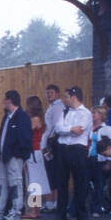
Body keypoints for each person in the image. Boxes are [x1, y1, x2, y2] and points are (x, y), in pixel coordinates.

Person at [0, 90, 33, 220]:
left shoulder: (22, 117)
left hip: (14, 157)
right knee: (0, 182)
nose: (3, 102)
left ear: (10, 100)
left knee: (16, 182)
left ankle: (16, 211)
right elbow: (2, 135)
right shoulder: (7, 116)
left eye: (5, 99)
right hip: (3, 155)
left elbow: (25, 139)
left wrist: (16, 154)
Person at [53, 86, 92, 220]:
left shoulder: (86, 113)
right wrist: (70, 128)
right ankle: (61, 213)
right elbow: (58, 128)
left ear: (74, 97)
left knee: (79, 182)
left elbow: (80, 130)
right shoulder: (65, 112)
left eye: (66, 97)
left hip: (78, 149)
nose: (64, 99)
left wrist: (66, 129)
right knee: (61, 182)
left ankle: (81, 212)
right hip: (63, 148)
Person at [86, 101, 111, 215]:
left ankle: (96, 208)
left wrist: (109, 162)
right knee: (84, 183)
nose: (92, 115)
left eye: (95, 113)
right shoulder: (88, 127)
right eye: (92, 112)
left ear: (101, 115)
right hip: (88, 157)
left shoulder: (107, 129)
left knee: (99, 185)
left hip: (100, 159)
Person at [40, 84, 65, 212]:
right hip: (50, 142)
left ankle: (51, 203)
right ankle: (52, 203)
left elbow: (54, 128)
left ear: (57, 93)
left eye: (51, 93)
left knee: (51, 174)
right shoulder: (52, 107)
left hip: (53, 143)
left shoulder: (58, 108)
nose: (49, 95)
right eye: (47, 93)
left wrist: (47, 145)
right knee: (51, 173)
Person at [24, 95, 49, 218]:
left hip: (33, 152)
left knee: (33, 182)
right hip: (36, 152)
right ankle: (35, 210)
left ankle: (33, 210)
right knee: (36, 182)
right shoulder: (39, 118)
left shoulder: (34, 119)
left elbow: (27, 134)